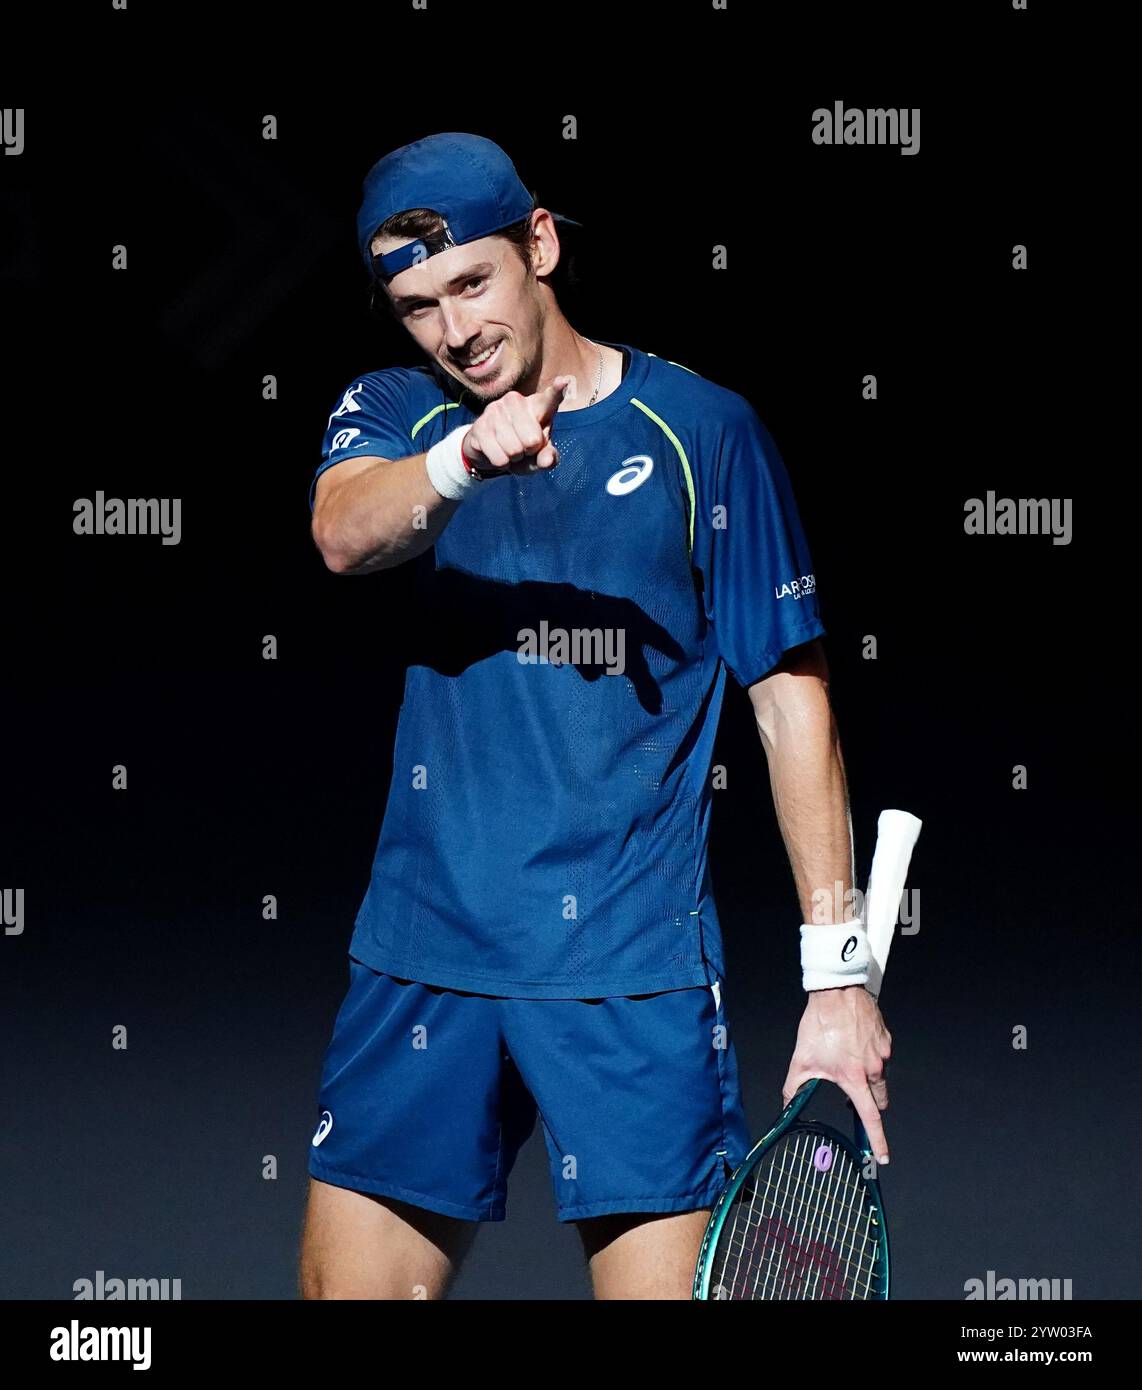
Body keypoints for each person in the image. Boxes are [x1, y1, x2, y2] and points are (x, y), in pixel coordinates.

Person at [299, 132, 891, 1300]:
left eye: (470, 282)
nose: (453, 330)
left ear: (540, 243)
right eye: (416, 306)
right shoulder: (400, 413)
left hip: (628, 973)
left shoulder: (703, 434)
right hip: (422, 960)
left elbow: (789, 708)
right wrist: (466, 459)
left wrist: (836, 975)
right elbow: (342, 529)